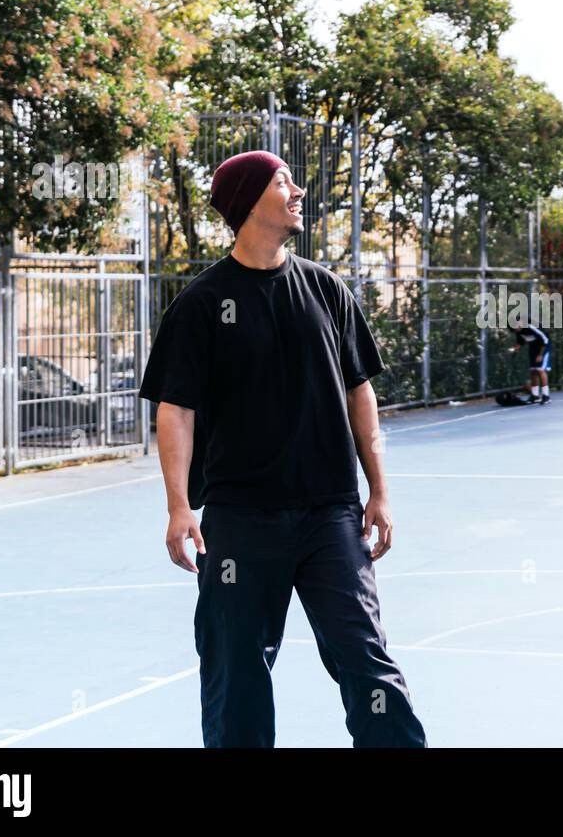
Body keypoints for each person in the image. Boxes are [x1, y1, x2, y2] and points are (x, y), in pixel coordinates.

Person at [139, 149, 426, 746]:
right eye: (282, 181)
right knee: (235, 670)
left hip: (330, 516)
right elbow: (176, 410)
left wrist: (379, 490)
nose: (297, 191)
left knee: (367, 663)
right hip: (241, 520)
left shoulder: (326, 289)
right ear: (248, 202)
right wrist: (176, 507)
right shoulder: (200, 304)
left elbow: (359, 392)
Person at [509, 321, 552, 404]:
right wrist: (515, 348)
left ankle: (546, 396)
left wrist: (540, 355)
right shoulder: (518, 332)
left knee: (540, 370)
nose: (516, 330)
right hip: (533, 348)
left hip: (544, 348)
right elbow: (521, 342)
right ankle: (535, 396)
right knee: (533, 371)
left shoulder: (531, 327)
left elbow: (545, 339)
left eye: (516, 328)